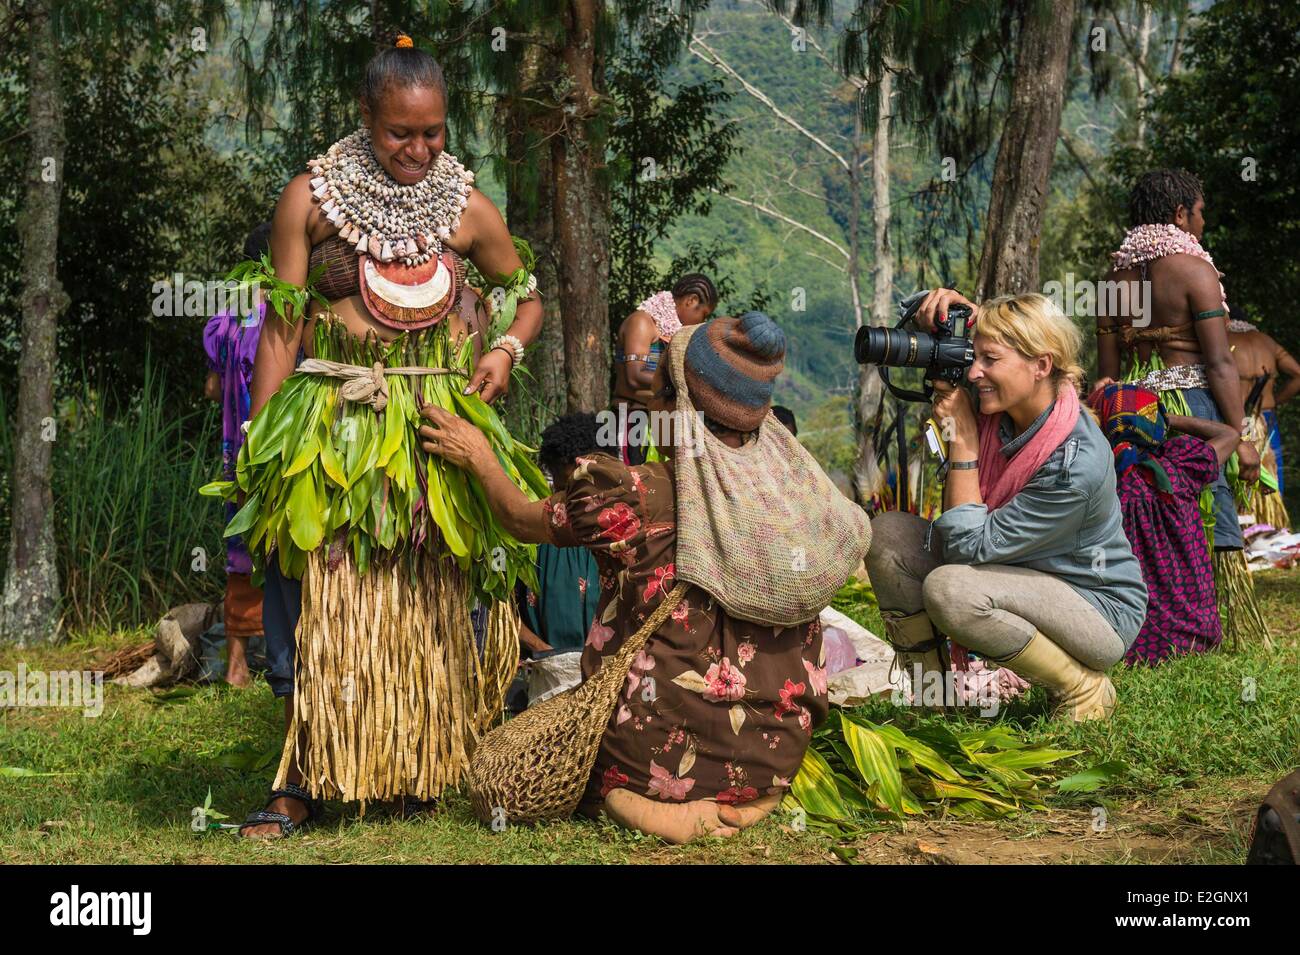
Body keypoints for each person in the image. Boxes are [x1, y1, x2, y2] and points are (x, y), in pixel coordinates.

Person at [237, 34, 543, 838]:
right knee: (329, 596)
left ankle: (414, 766)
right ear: (366, 119)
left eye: (433, 131)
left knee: (428, 596)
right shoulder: (310, 200)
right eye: (399, 133)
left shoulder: (469, 208)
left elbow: (529, 294)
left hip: (438, 427)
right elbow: (282, 327)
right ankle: (300, 777)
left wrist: (506, 350)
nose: (418, 148)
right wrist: (258, 444)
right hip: (336, 425)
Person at [418, 312, 871, 843]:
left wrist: (477, 454)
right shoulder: (795, 503)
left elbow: (519, 517)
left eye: (657, 388)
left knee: (565, 770)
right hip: (774, 752)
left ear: (677, 404)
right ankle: (750, 803)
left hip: (655, 748)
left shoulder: (636, 495)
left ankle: (633, 798)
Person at [868, 292, 1147, 722]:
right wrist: (949, 314)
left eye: (990, 360)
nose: (975, 372)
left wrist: (962, 439)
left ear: (1041, 365)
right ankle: (933, 698)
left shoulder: (1075, 463)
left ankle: (1081, 687)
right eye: (973, 356)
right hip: (1014, 573)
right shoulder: (1003, 408)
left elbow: (964, 549)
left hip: (1092, 605)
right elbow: (999, 342)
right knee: (887, 537)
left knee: (951, 590)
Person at [1096, 169, 1259, 549]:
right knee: (1206, 526)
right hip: (1198, 411)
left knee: (1149, 524)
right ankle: (1205, 601)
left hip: (1134, 416)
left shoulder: (1111, 281)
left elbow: (1107, 377)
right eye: (1201, 211)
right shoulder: (1196, 272)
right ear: (1181, 214)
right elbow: (1220, 363)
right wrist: (1239, 437)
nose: (1203, 222)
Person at [1088, 381, 1238, 665]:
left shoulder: (1102, 483)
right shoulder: (1180, 466)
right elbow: (1229, 434)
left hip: (1136, 644)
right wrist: (1169, 417)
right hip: (1198, 637)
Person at [203, 222, 271, 687]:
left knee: (241, 548)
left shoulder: (226, 317)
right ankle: (299, 657)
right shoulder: (288, 311)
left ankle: (236, 665)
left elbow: (211, 388)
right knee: (291, 545)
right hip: (282, 446)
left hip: (236, 455)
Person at [516, 413, 605, 656]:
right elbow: (501, 609)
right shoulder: (532, 536)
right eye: (565, 488)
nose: (573, 499)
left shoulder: (623, 537)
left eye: (583, 486)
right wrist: (542, 650)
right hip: (547, 669)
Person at [611, 275, 717, 465]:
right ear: (691, 301)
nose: (703, 321)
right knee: (630, 487)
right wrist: (683, 382)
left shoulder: (671, 333)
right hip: (631, 422)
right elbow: (634, 377)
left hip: (657, 422)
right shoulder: (642, 322)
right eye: (704, 314)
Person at [1228, 321, 1298, 496]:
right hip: (1266, 416)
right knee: (1272, 472)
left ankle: (1245, 522)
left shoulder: (1223, 341)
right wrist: (1275, 401)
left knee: (1242, 473)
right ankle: (1273, 521)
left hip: (1238, 418)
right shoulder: (1267, 342)